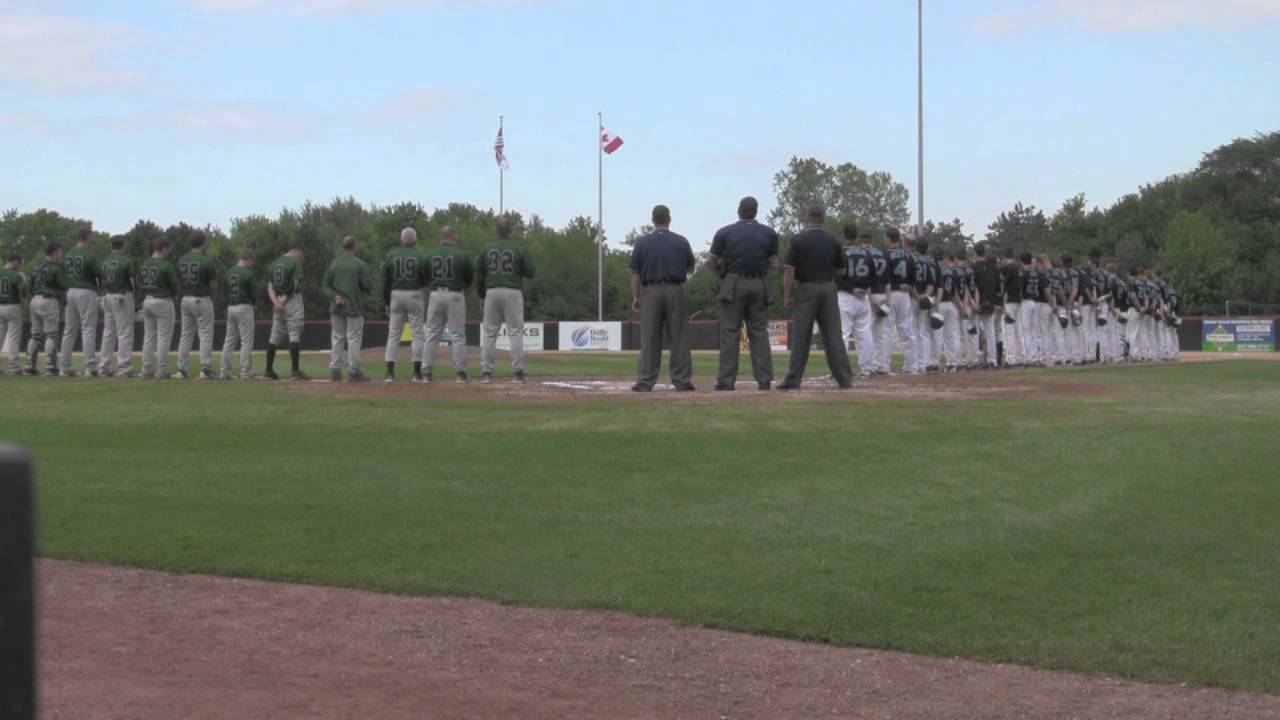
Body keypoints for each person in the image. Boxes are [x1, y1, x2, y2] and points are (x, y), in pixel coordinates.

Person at [777, 206, 852, 390]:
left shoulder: (798, 240)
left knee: (801, 335)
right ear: (823, 219)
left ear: (807, 218)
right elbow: (842, 270)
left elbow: (790, 271)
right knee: (833, 335)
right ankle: (844, 379)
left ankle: (793, 380)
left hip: (806, 288)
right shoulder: (833, 240)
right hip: (828, 287)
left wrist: (787, 295)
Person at [708, 196, 779, 391]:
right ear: (756, 211)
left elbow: (711, 261)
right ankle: (764, 379)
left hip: (733, 282)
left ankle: (727, 380)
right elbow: (774, 264)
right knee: (759, 333)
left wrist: (722, 274)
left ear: (739, 210)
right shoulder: (769, 233)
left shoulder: (725, 232)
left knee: (730, 333)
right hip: (759, 283)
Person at [629, 205, 696, 392]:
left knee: (650, 337)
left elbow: (635, 273)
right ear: (669, 219)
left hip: (651, 291)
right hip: (676, 289)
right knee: (679, 337)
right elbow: (690, 266)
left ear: (653, 220)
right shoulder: (681, 241)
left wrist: (636, 296)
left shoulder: (642, 243)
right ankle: (682, 381)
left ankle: (645, 381)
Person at [477, 216, 535, 384]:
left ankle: (486, 373)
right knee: (515, 332)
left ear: (496, 230)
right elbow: (531, 272)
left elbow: (479, 274)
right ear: (510, 230)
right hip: (513, 291)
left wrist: (481, 294)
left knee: (489, 334)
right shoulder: (518, 248)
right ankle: (517, 372)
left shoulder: (487, 248)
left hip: (492, 291)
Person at [422, 226, 474, 384]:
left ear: (441, 236)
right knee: (457, 335)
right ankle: (460, 373)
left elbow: (424, 275)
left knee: (431, 334)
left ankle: (426, 373)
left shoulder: (429, 254)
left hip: (435, 294)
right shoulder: (462, 255)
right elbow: (469, 277)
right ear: (453, 236)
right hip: (455, 294)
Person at [323, 236, 372, 382]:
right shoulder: (360, 265)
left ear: (343, 247)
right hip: (353, 306)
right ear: (355, 246)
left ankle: (336, 370)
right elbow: (368, 285)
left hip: (336, 306)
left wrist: (334, 296)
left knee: (337, 338)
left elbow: (325, 285)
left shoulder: (335, 263)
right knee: (354, 338)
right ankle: (354, 371)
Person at [382, 227, 427, 383]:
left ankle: (389, 373)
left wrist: (386, 301)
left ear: (401, 240)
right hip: (414, 293)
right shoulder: (420, 255)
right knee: (417, 333)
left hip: (396, 294)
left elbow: (385, 281)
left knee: (394, 334)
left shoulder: (392, 255)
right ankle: (416, 373)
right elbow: (426, 277)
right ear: (415, 240)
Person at [176, 231, 219, 380]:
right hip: (201, 299)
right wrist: (214, 299)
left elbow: (178, 281)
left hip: (185, 299)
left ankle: (182, 369)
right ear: (203, 243)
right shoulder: (206, 261)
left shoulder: (182, 260)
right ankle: (205, 368)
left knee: (185, 335)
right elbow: (213, 284)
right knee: (205, 334)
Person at [59, 226, 100, 377]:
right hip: (85, 291)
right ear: (87, 236)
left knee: (69, 330)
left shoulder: (69, 254)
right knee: (88, 329)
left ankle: (65, 367)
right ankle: (90, 366)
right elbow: (98, 274)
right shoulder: (89, 254)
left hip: (70, 291)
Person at [838, 225, 877, 379]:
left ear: (844, 236)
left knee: (843, 333)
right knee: (865, 334)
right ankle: (866, 369)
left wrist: (852, 289)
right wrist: (865, 288)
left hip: (846, 296)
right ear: (856, 236)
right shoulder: (866, 253)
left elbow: (836, 277)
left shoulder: (841, 253)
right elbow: (874, 276)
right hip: (864, 297)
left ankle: (840, 371)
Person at [96, 237, 138, 378]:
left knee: (108, 333)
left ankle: (103, 366)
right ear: (123, 245)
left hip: (107, 296)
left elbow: (99, 280)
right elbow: (132, 282)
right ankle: (124, 368)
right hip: (121, 296)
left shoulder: (105, 261)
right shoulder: (126, 261)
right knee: (124, 333)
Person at [266, 247, 308, 381]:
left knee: (275, 334)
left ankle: (268, 369)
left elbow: (270, 287)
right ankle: (295, 371)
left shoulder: (273, 264)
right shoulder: (295, 263)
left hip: (277, 300)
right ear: (298, 256)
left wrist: (276, 303)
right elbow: (294, 286)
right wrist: (284, 302)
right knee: (294, 334)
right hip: (292, 301)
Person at [138, 240, 178, 379]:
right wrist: (175, 297)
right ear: (163, 248)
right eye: (168, 249)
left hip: (147, 299)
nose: (169, 252)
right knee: (163, 338)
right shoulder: (166, 265)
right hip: (162, 300)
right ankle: (161, 370)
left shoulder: (145, 263)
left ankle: (146, 368)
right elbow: (173, 286)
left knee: (149, 337)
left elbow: (140, 282)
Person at [26, 243, 66, 376]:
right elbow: (62, 286)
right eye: (60, 251)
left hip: (35, 299)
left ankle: (29, 366)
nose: (61, 254)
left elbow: (29, 285)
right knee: (51, 335)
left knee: (35, 335)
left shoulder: (37, 266)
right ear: (54, 252)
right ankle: (51, 366)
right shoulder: (56, 267)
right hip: (49, 299)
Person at [220, 250, 258, 380]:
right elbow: (253, 295)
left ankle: (224, 371)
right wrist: (254, 304)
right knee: (246, 341)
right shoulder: (248, 274)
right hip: (244, 307)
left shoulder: (228, 273)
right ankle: (245, 371)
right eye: (252, 261)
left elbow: (223, 293)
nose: (253, 264)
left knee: (229, 341)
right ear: (248, 259)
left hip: (231, 307)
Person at [884, 229, 917, 375]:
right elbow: (913, 278)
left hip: (891, 293)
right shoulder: (908, 256)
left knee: (888, 330)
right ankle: (912, 366)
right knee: (907, 331)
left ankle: (885, 365)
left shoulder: (886, 255)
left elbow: (884, 277)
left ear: (888, 239)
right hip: (905, 295)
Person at [865, 229, 892, 375]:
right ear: (872, 239)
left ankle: (869, 366)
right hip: (883, 294)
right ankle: (882, 366)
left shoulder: (864, 254)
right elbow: (888, 281)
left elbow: (867, 280)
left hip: (870, 295)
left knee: (867, 332)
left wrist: (869, 301)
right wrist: (887, 301)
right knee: (881, 334)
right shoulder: (884, 254)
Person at [911, 238, 940, 373]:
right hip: (930, 296)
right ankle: (930, 361)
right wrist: (928, 297)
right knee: (928, 331)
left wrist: (918, 296)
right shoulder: (932, 261)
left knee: (916, 330)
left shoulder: (913, 259)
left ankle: (917, 362)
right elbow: (935, 281)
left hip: (914, 296)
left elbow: (910, 280)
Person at [971, 243, 1001, 369]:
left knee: (974, 331)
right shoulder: (993, 268)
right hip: (990, 302)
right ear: (985, 252)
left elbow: (972, 287)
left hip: (978, 303)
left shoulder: (972, 267)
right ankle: (992, 360)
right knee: (990, 332)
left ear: (975, 253)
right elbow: (998, 288)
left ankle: (974, 360)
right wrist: (997, 303)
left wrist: (974, 303)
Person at [0, 254, 28, 375]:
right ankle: (15, 366)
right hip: (13, 305)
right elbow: (24, 292)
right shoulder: (16, 276)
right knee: (14, 338)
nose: (20, 265)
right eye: (19, 262)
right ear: (15, 261)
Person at [1021, 253, 1047, 367]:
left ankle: (1029, 358)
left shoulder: (1023, 274)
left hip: (1025, 301)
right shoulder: (1036, 274)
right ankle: (1038, 356)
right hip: (1035, 302)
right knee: (1035, 331)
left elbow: (1020, 289)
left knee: (1026, 331)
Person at [937, 254, 962, 371]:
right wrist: (960, 308)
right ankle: (952, 363)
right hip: (951, 304)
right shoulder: (952, 272)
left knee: (937, 335)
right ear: (944, 258)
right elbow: (954, 293)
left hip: (939, 303)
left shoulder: (937, 270)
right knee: (950, 335)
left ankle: (934, 362)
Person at [1000, 248, 1023, 367]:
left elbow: (1004, 284)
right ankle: (1019, 357)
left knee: (1009, 330)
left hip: (1009, 300)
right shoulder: (1019, 267)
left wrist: (1001, 301)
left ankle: (1012, 359)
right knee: (1018, 329)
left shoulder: (1007, 268)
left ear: (1005, 257)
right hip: (1019, 300)